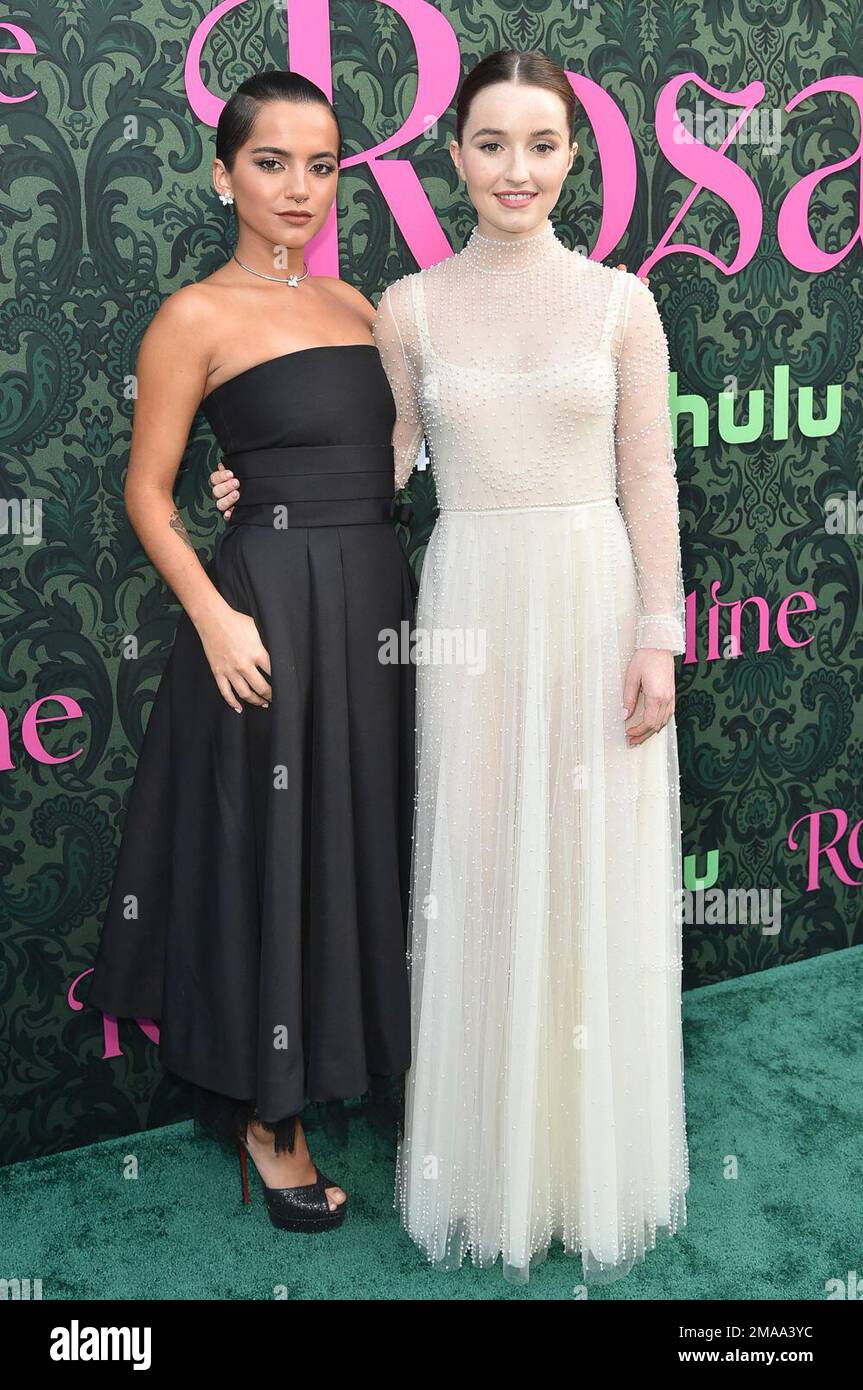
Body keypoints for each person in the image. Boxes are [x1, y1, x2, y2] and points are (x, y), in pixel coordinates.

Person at [210, 48, 690, 1286]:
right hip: (468, 610)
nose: (514, 169)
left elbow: (649, 477)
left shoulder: (621, 303)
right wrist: (245, 482)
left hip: (593, 603)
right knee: (476, 873)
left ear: (573, 158)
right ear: (455, 156)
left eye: (540, 144)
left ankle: (583, 1161)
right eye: (490, 144)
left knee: (585, 877)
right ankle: (483, 1161)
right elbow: (376, 461)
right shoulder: (408, 309)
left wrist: (659, 633)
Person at [88, 70, 415, 1232]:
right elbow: (144, 490)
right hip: (264, 610)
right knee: (273, 852)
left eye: (320, 165)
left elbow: (393, 458)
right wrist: (215, 615)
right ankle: (268, 1121)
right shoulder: (194, 316)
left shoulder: (369, 308)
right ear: (221, 172)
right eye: (270, 162)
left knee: (360, 835)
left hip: (376, 602)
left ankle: (361, 1063)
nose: (297, 188)